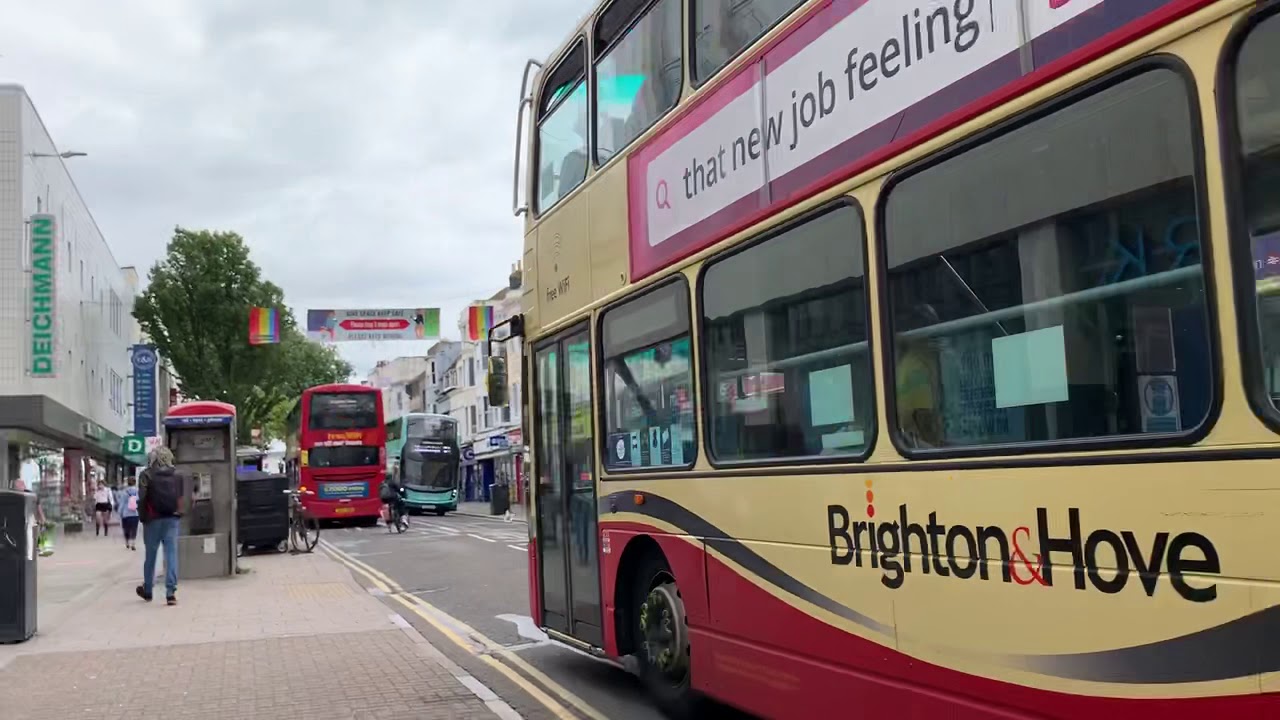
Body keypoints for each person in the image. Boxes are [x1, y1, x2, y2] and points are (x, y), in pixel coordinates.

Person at [136, 447, 184, 605]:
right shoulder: (177, 475)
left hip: (152, 519)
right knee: (171, 554)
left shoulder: (146, 474)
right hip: (172, 519)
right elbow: (181, 497)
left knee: (151, 555)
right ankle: (171, 593)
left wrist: (143, 517)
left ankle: (148, 590)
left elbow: (142, 497)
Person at [117, 477, 140, 551]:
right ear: (135, 483)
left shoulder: (124, 492)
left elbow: (122, 503)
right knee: (134, 529)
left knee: (126, 529)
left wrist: (119, 512)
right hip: (135, 513)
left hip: (126, 513)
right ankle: (133, 543)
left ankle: (127, 542)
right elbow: (139, 501)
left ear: (127, 483)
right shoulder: (138, 491)